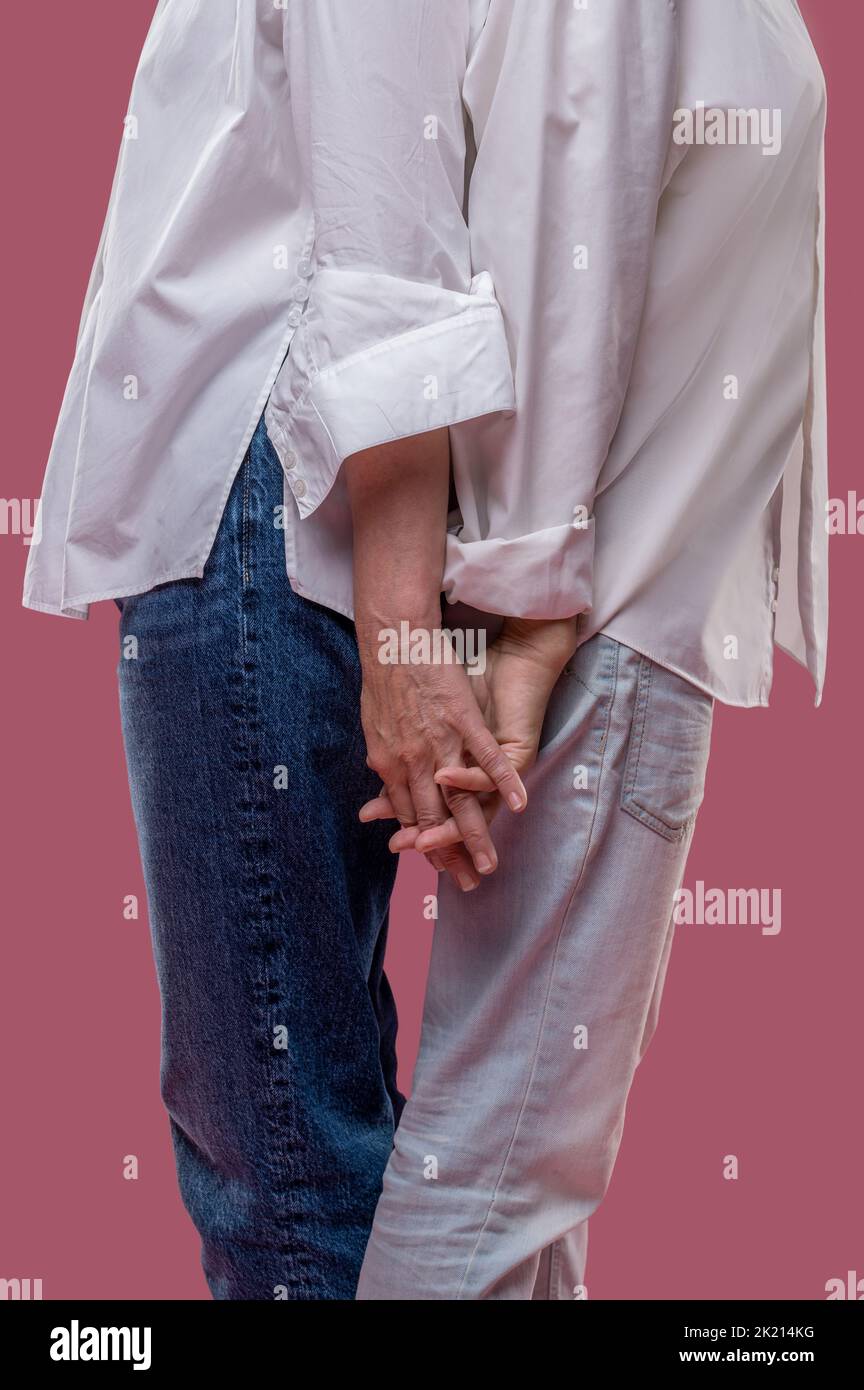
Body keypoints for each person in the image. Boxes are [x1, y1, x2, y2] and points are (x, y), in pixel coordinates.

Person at [23, 0, 827, 1301]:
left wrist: (411, 616)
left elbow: (390, 197)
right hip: (339, 489)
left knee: (290, 1181)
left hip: (281, 479)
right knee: (349, 1173)